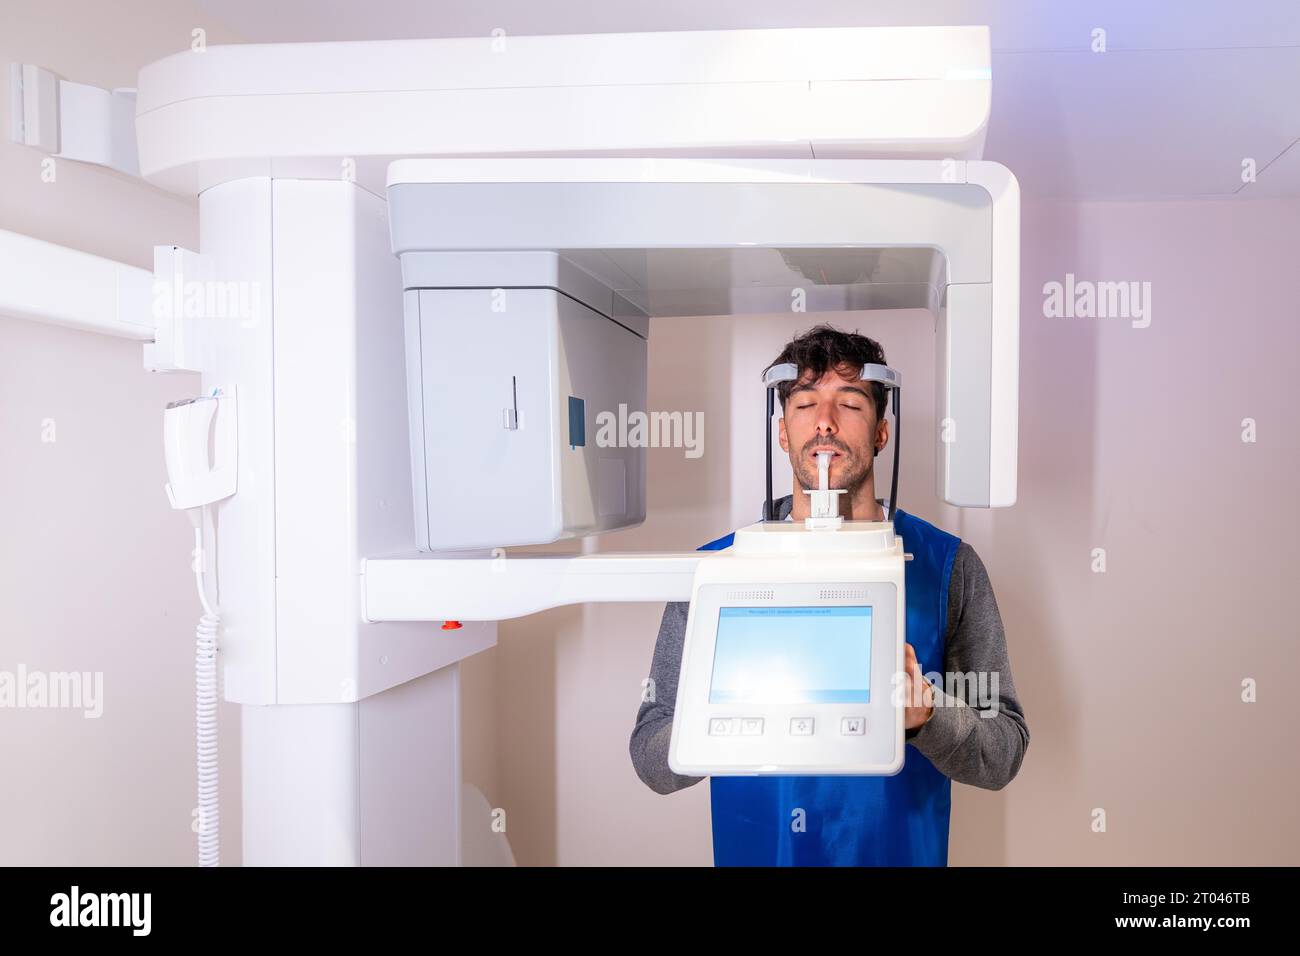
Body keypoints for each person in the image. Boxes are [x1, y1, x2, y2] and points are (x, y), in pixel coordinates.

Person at [629, 324, 1029, 866]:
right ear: (782, 432)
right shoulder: (716, 570)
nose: (825, 421)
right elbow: (651, 758)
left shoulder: (949, 566)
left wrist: (929, 715)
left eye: (850, 403)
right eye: (805, 404)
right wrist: (718, 715)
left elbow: (1003, 752)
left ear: (882, 431)